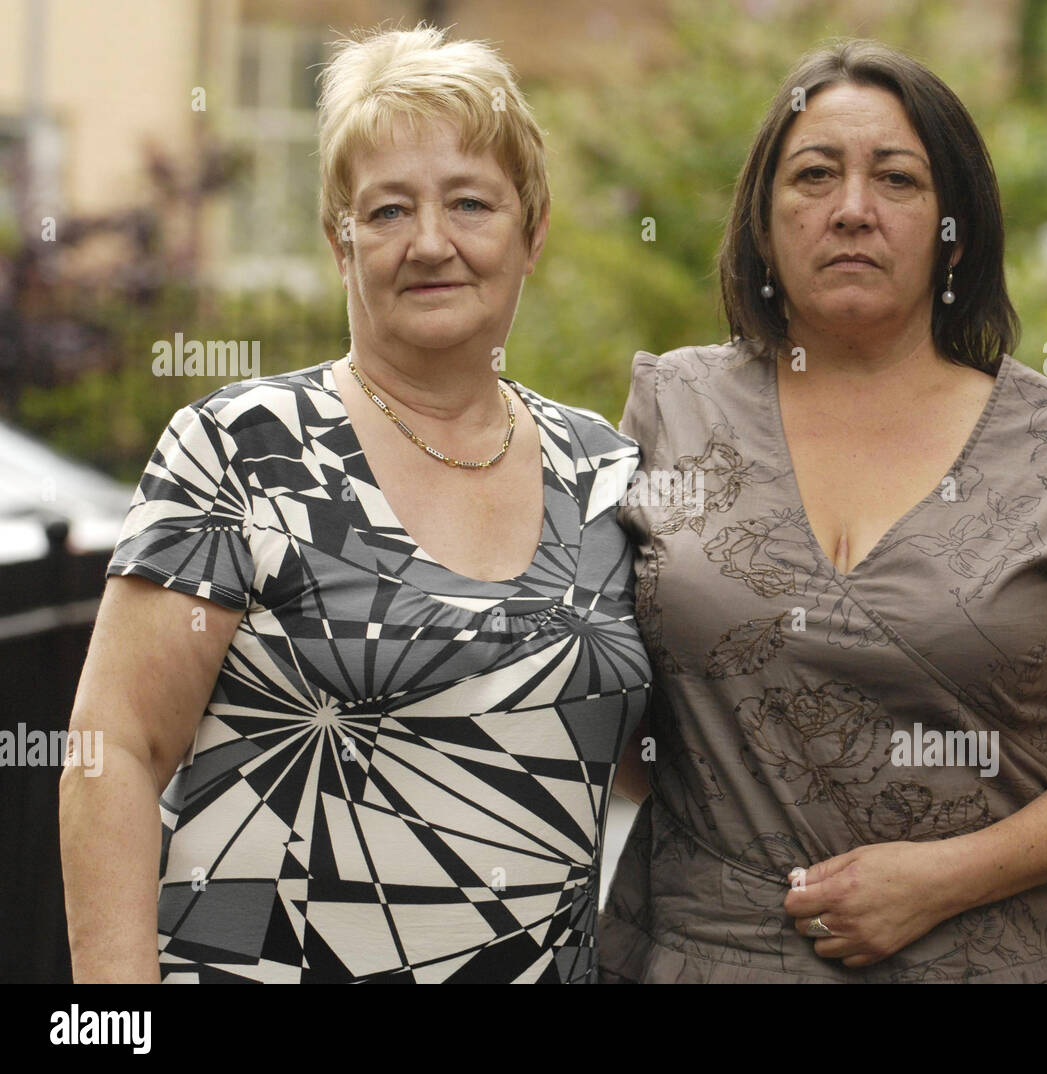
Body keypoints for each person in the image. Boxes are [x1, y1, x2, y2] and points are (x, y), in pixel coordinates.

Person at [60, 24, 650, 983]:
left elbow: (665, 760)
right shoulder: (238, 452)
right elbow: (115, 749)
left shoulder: (607, 474)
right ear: (340, 242)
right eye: (385, 212)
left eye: (471, 203)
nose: (430, 243)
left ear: (532, 233)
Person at [599, 39, 1047, 983]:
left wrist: (941, 879)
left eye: (898, 180)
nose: (853, 210)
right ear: (763, 220)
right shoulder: (671, 412)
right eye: (814, 175)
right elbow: (596, 680)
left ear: (954, 227)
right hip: (700, 956)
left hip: (982, 960)